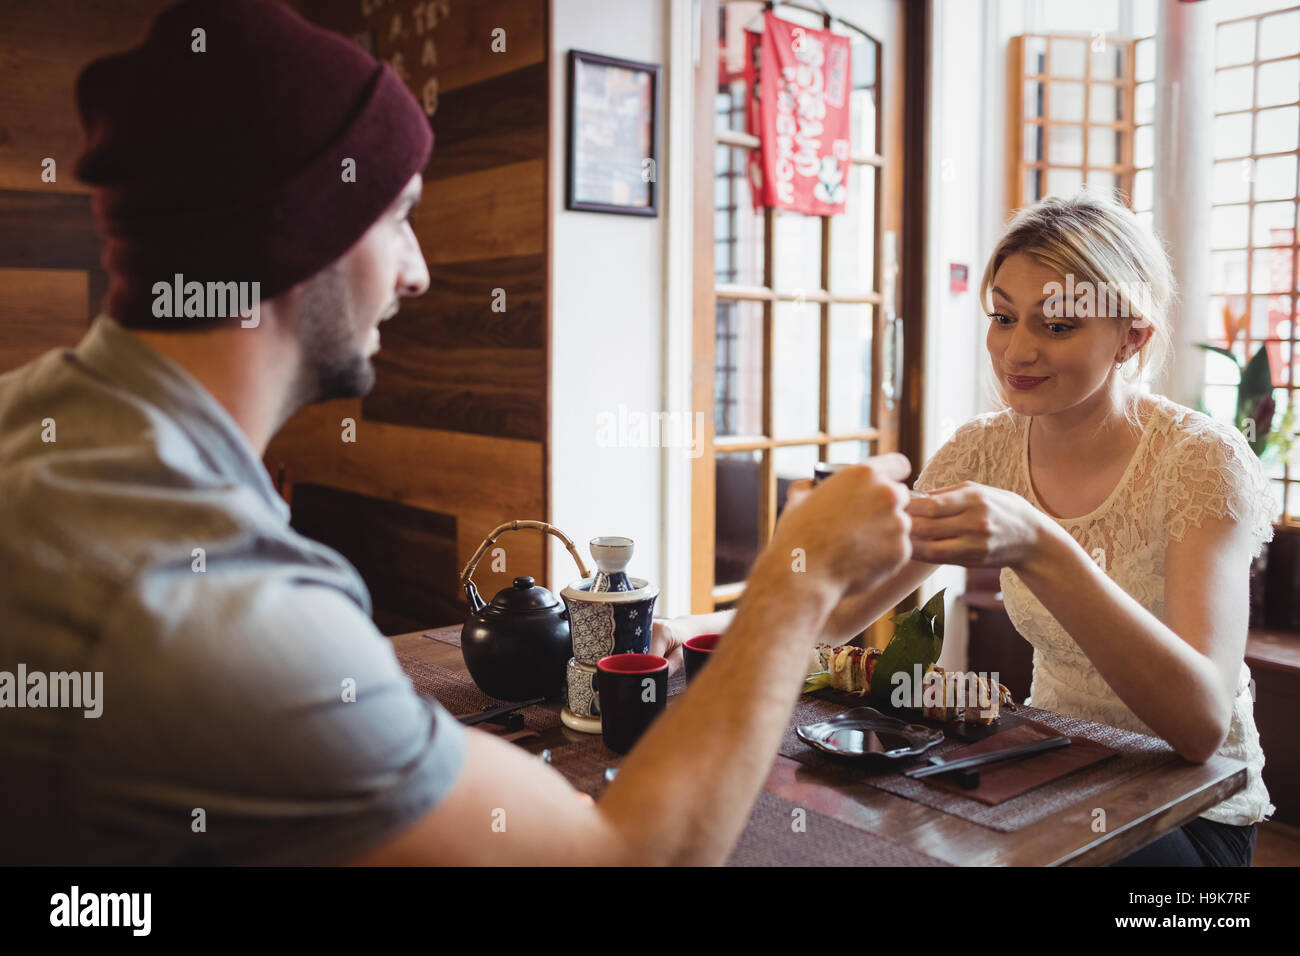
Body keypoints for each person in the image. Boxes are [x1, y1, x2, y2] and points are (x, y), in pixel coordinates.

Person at [0, 0, 917, 866]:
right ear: (298, 236)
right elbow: (631, 855)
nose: (419, 273)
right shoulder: (210, 606)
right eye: (398, 219)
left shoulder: (36, 420)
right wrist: (803, 579)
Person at [659, 192, 1276, 867]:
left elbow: (1200, 727)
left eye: (1058, 326)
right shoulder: (983, 451)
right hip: (1057, 770)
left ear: (1133, 336)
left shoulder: (1198, 460)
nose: (1017, 351)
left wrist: (1044, 550)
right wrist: (690, 636)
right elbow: (837, 614)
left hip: (1187, 809)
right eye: (1003, 317)